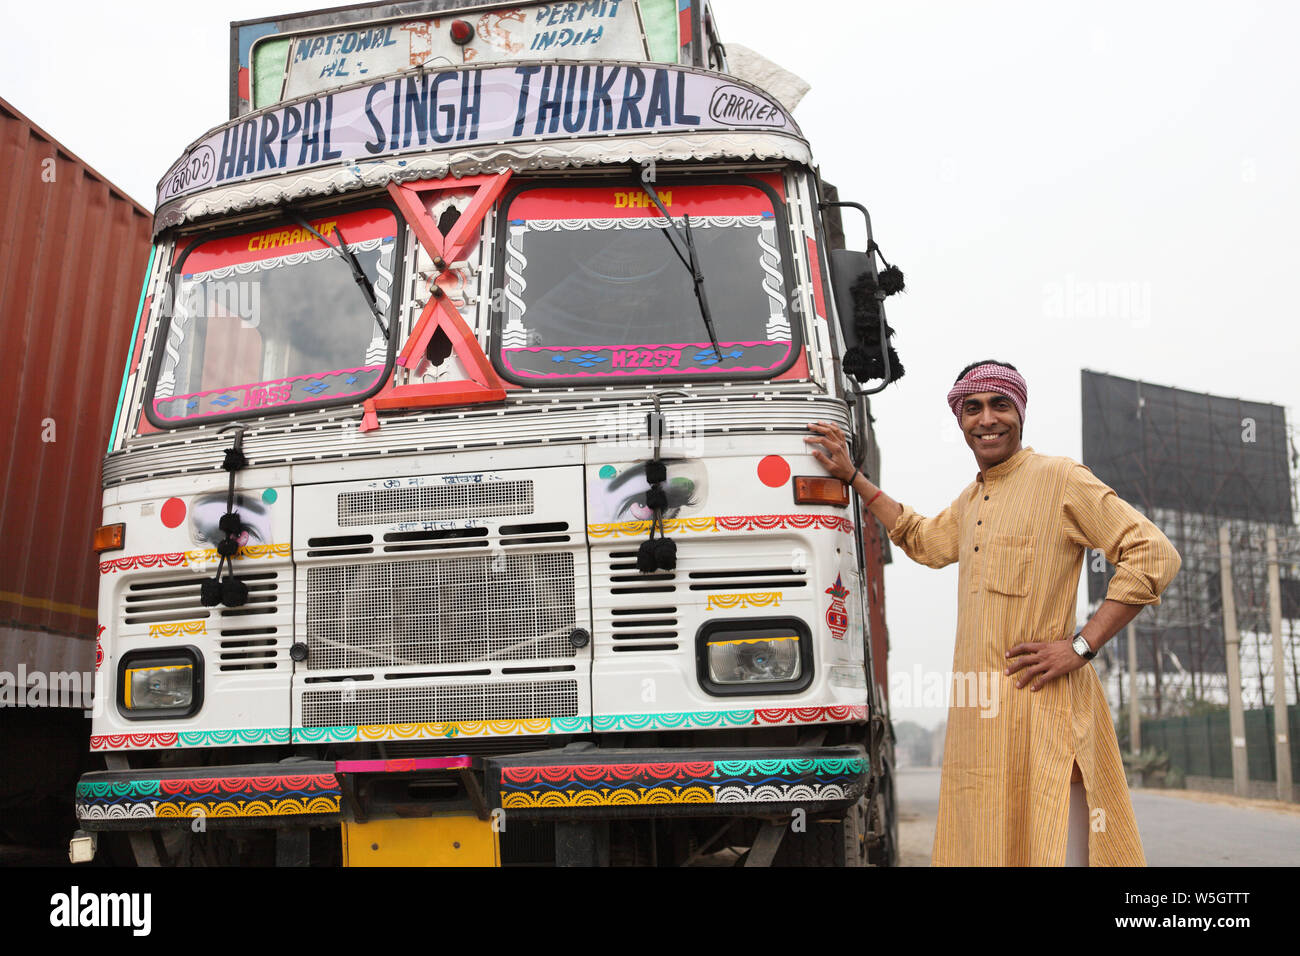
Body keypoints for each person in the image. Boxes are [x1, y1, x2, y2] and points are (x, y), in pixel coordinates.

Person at [805, 360, 1180, 866]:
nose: (987, 419)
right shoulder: (972, 498)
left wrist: (1081, 645)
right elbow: (922, 539)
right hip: (981, 726)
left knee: (1053, 849)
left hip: (1043, 717)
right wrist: (853, 477)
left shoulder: (1060, 478)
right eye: (973, 408)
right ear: (960, 421)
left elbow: (1153, 553)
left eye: (1000, 405)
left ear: (1020, 413)